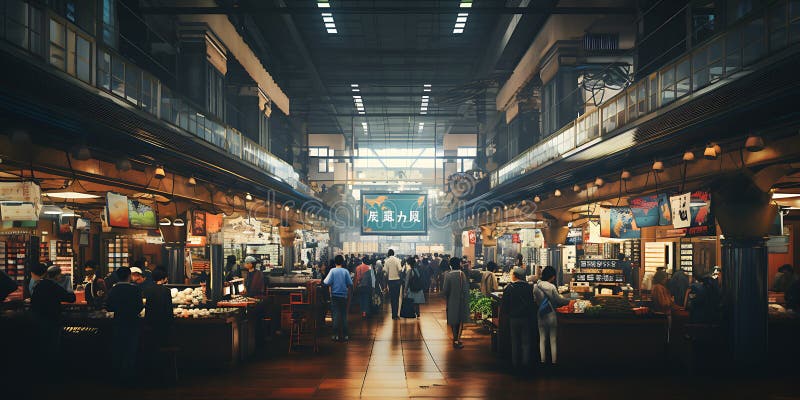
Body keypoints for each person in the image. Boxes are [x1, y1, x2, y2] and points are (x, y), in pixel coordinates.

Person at [30, 264, 76, 367]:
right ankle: (53, 370)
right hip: (53, 320)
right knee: (53, 346)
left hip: (39, 320)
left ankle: (43, 370)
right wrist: (69, 286)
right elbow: (71, 298)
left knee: (42, 346)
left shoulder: (36, 287)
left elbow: (33, 305)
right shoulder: (52, 286)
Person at [105, 267, 144, 382]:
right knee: (131, 350)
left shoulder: (113, 290)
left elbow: (109, 307)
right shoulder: (135, 289)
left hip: (118, 322)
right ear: (129, 276)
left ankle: (117, 376)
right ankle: (128, 376)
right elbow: (140, 306)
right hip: (132, 322)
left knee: (118, 349)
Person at [533, 266, 570, 366]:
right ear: (552, 277)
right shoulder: (552, 287)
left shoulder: (536, 286)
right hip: (551, 314)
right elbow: (559, 300)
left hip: (540, 313)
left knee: (542, 338)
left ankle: (542, 360)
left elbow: (535, 300)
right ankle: (553, 361)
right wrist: (570, 301)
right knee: (553, 339)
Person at [502, 267, 536, 369]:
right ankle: (525, 363)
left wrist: (507, 314)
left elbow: (505, 304)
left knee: (515, 341)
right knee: (526, 342)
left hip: (513, 318)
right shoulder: (529, 288)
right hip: (526, 318)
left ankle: (515, 363)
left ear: (515, 276)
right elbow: (532, 303)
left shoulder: (509, 288)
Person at [324, 255, 353, 342]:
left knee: (336, 315)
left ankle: (335, 335)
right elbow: (350, 283)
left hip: (334, 296)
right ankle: (345, 335)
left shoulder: (332, 271)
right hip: (344, 296)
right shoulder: (345, 271)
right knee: (344, 315)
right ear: (343, 262)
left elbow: (326, 282)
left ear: (335, 262)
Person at [443, 257, 469, 349]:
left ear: (451, 265)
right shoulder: (462, 274)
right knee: (460, 320)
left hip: (451, 300)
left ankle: (455, 338)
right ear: (459, 264)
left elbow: (445, 290)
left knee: (453, 319)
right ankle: (457, 339)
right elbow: (466, 289)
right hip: (461, 300)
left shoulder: (448, 275)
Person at [385, 249, 403, 320]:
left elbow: (385, 273)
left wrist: (386, 284)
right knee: (397, 298)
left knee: (392, 299)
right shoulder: (397, 260)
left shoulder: (387, 261)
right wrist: (400, 279)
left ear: (388, 254)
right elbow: (400, 270)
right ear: (393, 253)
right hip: (397, 281)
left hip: (390, 282)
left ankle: (393, 314)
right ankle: (396, 314)